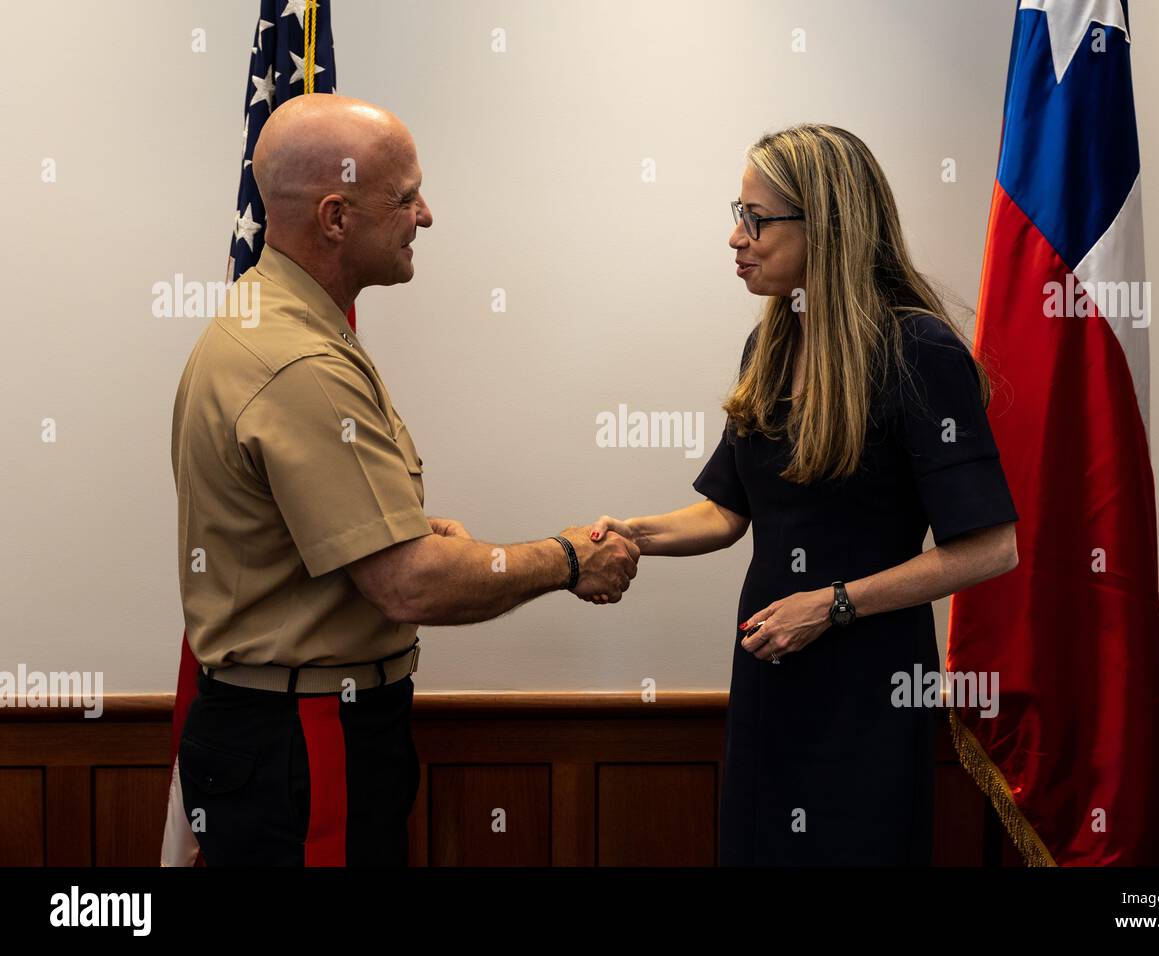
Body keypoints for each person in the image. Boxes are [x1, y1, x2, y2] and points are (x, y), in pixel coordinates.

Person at [170, 94, 638, 866]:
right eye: (406, 196)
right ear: (334, 217)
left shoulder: (270, 324)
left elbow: (333, 543)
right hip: (308, 737)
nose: (426, 216)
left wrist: (404, 536)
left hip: (290, 730)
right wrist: (568, 559)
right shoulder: (299, 363)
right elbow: (408, 586)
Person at [586, 124, 1020, 865]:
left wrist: (832, 603)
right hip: (770, 670)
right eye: (738, 213)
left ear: (827, 223)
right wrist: (632, 533)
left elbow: (990, 548)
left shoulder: (921, 353)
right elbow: (728, 512)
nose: (735, 237)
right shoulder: (775, 342)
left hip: (870, 685)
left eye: (756, 219)